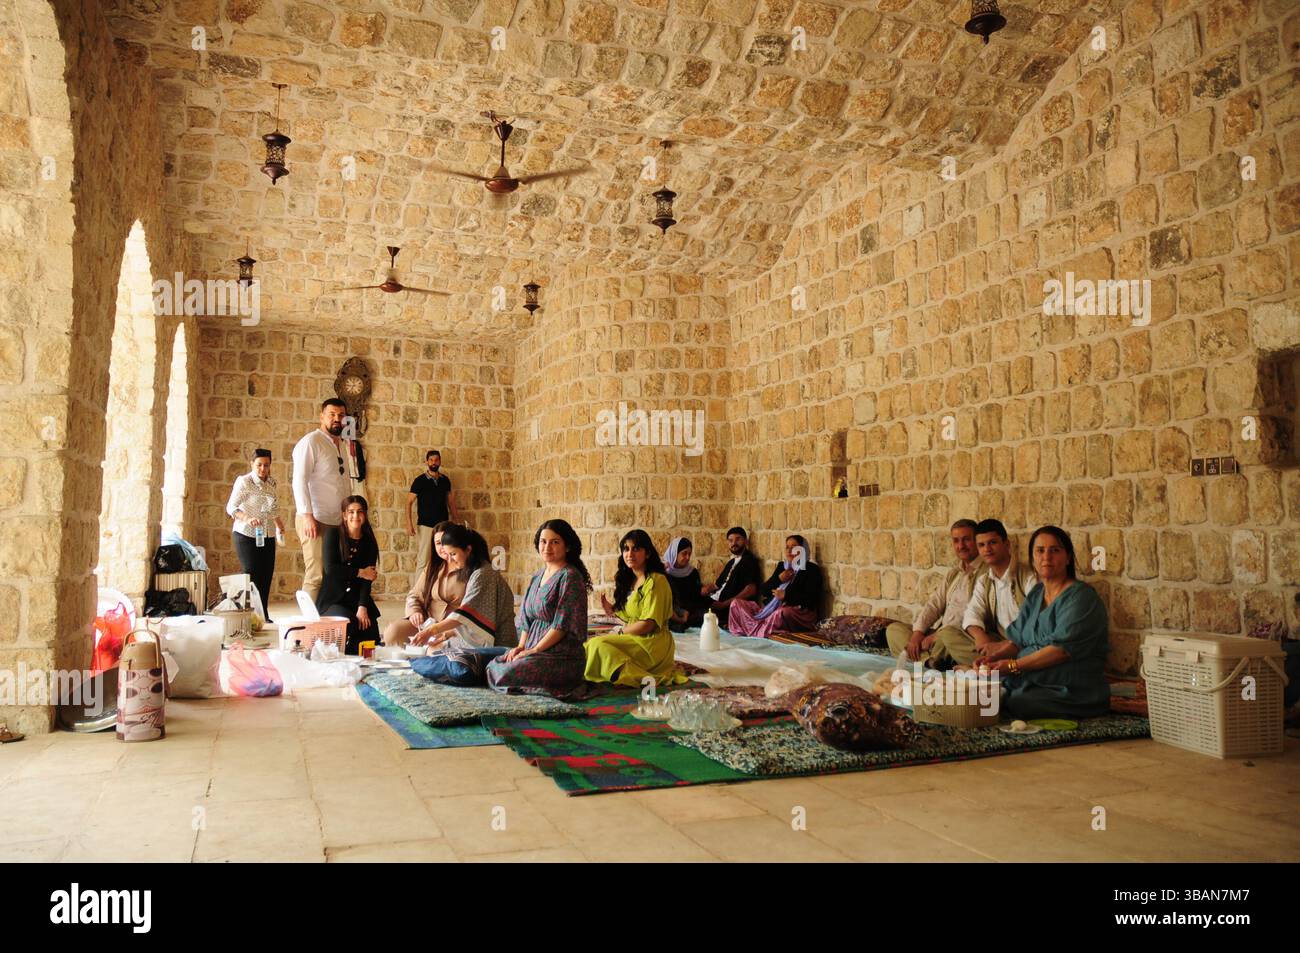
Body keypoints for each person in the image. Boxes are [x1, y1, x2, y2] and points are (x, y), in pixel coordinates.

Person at [974, 526, 1110, 719]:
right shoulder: (1037, 593)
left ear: (1068, 557)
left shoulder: (1081, 597)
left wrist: (1013, 666)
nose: (1046, 557)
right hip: (1031, 674)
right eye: (1040, 551)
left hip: (1069, 684)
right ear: (1033, 558)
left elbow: (1060, 651)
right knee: (984, 688)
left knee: (1018, 701)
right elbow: (1017, 641)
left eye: (1055, 550)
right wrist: (992, 659)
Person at [487, 519, 592, 697]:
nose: (547, 547)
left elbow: (561, 626)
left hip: (561, 655)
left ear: (567, 547)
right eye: (543, 542)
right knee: (495, 664)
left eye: (555, 542)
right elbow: (527, 618)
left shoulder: (570, 577)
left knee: (506, 672)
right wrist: (521, 647)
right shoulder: (537, 575)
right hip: (532, 648)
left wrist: (534, 650)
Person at [407, 524, 517, 685]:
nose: (450, 559)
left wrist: (430, 632)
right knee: (432, 650)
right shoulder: (471, 570)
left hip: (497, 644)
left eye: (453, 554)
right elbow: (415, 595)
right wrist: (442, 634)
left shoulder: (483, 574)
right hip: (467, 635)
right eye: (448, 554)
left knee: (437, 654)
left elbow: (464, 615)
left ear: (468, 550)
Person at [585, 529, 683, 688]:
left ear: (648, 553)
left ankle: (637, 677)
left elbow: (647, 624)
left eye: (636, 549)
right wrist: (612, 610)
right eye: (626, 549)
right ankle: (617, 673)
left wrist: (621, 632)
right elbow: (633, 615)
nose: (630, 554)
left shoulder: (657, 580)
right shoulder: (632, 580)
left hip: (652, 643)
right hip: (637, 638)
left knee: (597, 644)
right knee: (590, 644)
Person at [885, 519, 984, 666]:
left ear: (976, 541)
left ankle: (925, 659)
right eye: (956, 541)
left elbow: (972, 615)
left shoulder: (986, 573)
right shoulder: (954, 573)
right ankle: (930, 661)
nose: (960, 546)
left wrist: (936, 637)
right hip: (940, 634)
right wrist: (917, 634)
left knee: (947, 637)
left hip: (959, 637)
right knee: (894, 630)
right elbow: (934, 605)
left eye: (966, 540)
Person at [950, 518, 1039, 665]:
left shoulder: (1028, 577)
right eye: (981, 545)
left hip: (1022, 643)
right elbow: (972, 613)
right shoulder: (984, 581)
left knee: (1033, 652)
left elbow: (1035, 624)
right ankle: (993, 665)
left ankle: (991, 666)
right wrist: (981, 638)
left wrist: (1004, 646)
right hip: (996, 640)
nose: (987, 549)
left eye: (993, 542)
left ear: (1006, 544)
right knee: (950, 634)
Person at [292, 398, 352, 602]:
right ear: (322, 417)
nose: (337, 419)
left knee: (332, 574)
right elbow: (299, 481)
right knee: (316, 575)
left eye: (341, 415)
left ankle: (325, 620)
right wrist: (308, 517)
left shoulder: (341, 445)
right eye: (332, 414)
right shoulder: (311, 442)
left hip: (337, 521)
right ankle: (309, 626)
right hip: (315, 520)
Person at [381, 520, 465, 647]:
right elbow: (414, 595)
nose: (442, 547)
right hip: (427, 623)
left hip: (454, 628)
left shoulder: (468, 569)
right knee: (393, 633)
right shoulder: (433, 567)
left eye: (445, 542)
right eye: (438, 543)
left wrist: (444, 630)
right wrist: (415, 612)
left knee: (437, 648)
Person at [225, 448, 285, 621]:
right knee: (251, 573)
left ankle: (262, 614)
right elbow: (231, 507)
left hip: (267, 534)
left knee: (266, 574)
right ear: (252, 464)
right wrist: (247, 518)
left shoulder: (272, 484)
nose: (262, 469)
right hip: (246, 534)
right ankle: (247, 615)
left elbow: (274, 509)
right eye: (259, 465)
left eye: (266, 465)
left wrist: (280, 526)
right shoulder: (244, 482)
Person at [315, 495, 380, 655]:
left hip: (356, 598)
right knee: (347, 623)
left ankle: (354, 655)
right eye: (351, 512)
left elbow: (368, 579)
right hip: (332, 599)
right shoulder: (333, 534)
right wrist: (360, 572)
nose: (355, 516)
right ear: (344, 515)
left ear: (365, 515)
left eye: (359, 512)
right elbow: (331, 569)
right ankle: (337, 653)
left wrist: (362, 607)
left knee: (371, 631)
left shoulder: (369, 542)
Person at [726, 534, 824, 638]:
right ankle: (759, 629)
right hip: (770, 610)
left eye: (794, 547)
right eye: (787, 547)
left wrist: (786, 595)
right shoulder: (783, 566)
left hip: (798, 613)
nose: (790, 550)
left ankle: (758, 630)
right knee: (736, 603)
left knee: (781, 613)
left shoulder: (811, 569)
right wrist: (779, 579)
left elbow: (812, 598)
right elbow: (764, 591)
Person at [406, 450, 458, 584]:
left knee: (443, 558)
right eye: (431, 460)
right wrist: (409, 523)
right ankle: (417, 593)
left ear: (440, 461)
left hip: (443, 526)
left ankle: (439, 590)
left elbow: (450, 502)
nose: (434, 462)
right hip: (425, 525)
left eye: (436, 460)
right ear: (427, 462)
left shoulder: (445, 480)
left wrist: (456, 520)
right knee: (424, 559)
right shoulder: (420, 481)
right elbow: (409, 502)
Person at [701, 526, 762, 627]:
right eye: (730, 540)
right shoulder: (731, 562)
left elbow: (751, 589)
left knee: (698, 616)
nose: (734, 543)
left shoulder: (749, 561)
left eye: (738, 539)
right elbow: (717, 585)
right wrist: (703, 590)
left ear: (746, 541)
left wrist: (724, 604)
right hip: (716, 601)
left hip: (727, 607)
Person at [664, 537, 709, 631]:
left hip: (690, 609)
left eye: (689, 554)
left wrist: (703, 591)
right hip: (672, 610)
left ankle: (681, 623)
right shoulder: (664, 572)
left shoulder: (692, 572)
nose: (687, 557)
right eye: (684, 553)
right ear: (674, 553)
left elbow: (697, 596)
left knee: (706, 615)